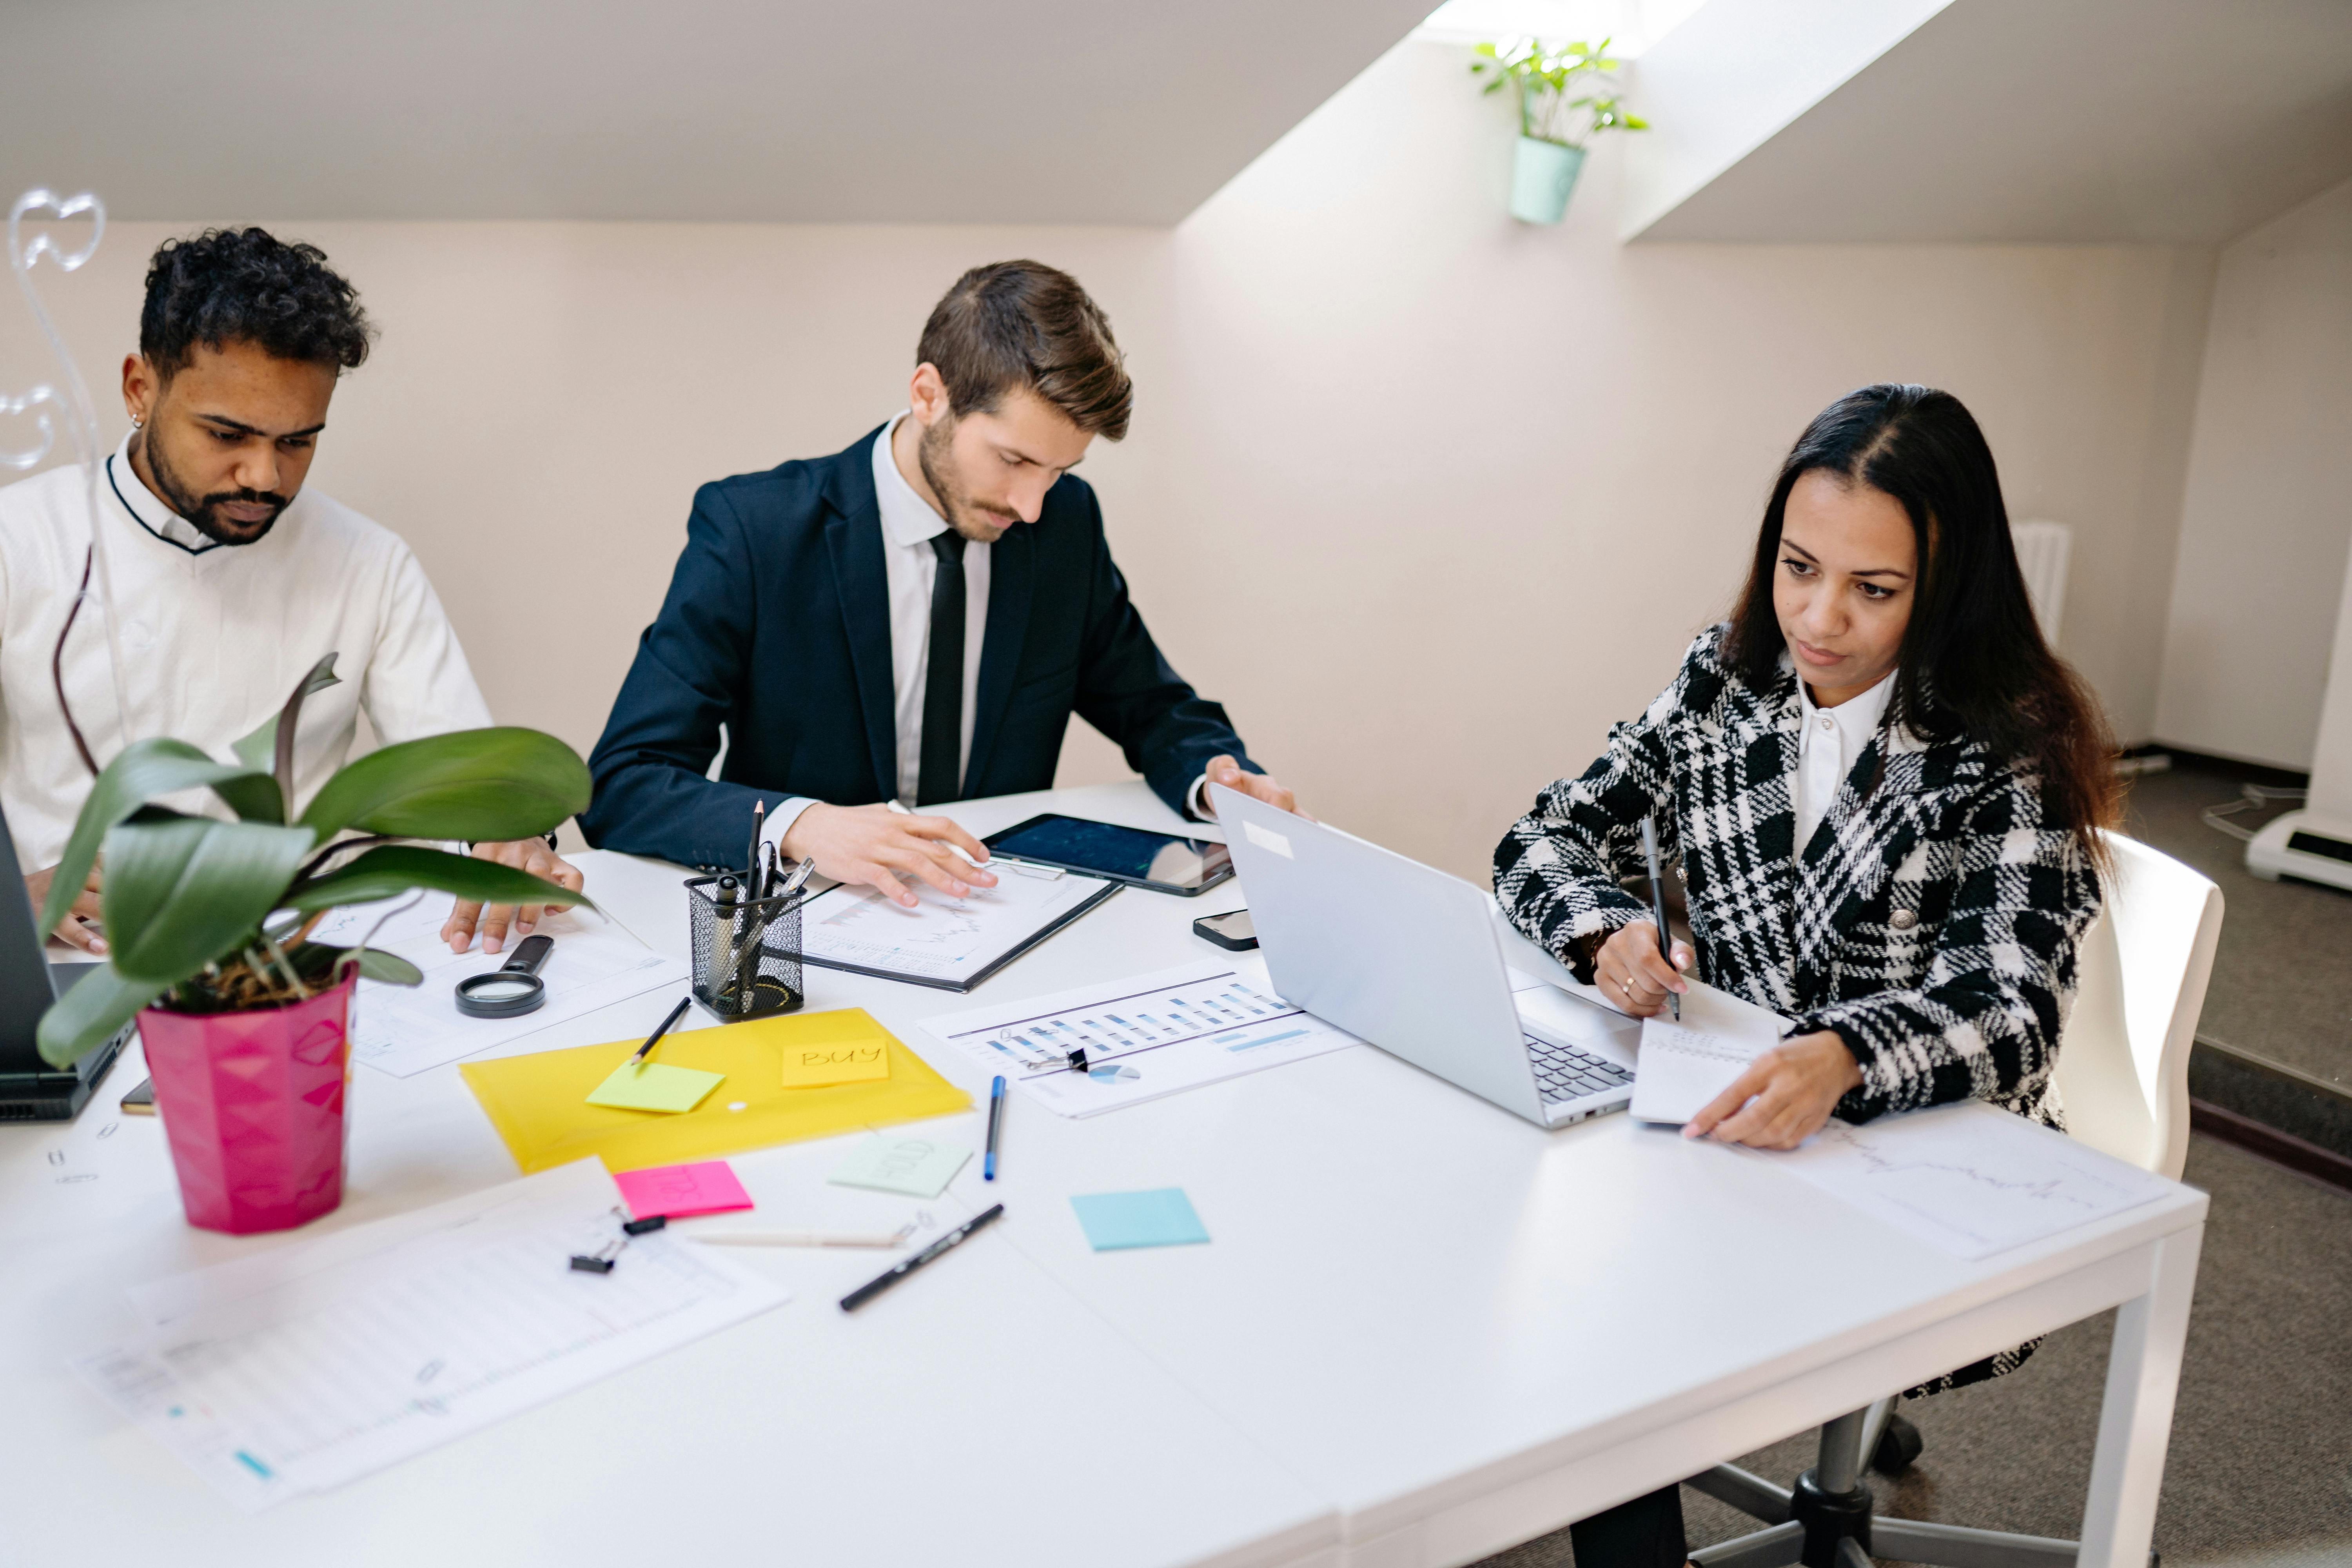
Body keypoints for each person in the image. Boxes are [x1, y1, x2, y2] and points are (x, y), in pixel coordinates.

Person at [1492, 384, 2119, 1566]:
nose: (1819, 618)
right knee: (1541, 1226)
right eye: (1798, 568)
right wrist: (1605, 930)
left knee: (1601, 1321)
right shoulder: (1729, 677)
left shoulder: (2007, 742)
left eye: (1873, 589)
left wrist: (1846, 1056)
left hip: (1924, 1151)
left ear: (1947, 587)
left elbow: (2014, 1009)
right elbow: (1543, 836)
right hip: (1731, 1123)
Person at [581, 260, 1297, 899]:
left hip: (996, 912)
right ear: (930, 396)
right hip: (803, 925)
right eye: (1014, 460)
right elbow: (625, 781)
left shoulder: (1064, 523)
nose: (1031, 506)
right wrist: (802, 825)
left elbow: (1151, 705)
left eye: (1059, 471)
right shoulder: (755, 529)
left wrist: (1217, 780)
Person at [0, 227, 580, 957]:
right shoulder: (17, 542)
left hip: (290, 964)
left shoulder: (369, 564)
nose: (264, 477)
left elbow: (462, 780)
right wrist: (12, 900)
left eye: (297, 441)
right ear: (140, 389)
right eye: (226, 435)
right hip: (66, 963)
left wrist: (507, 839)